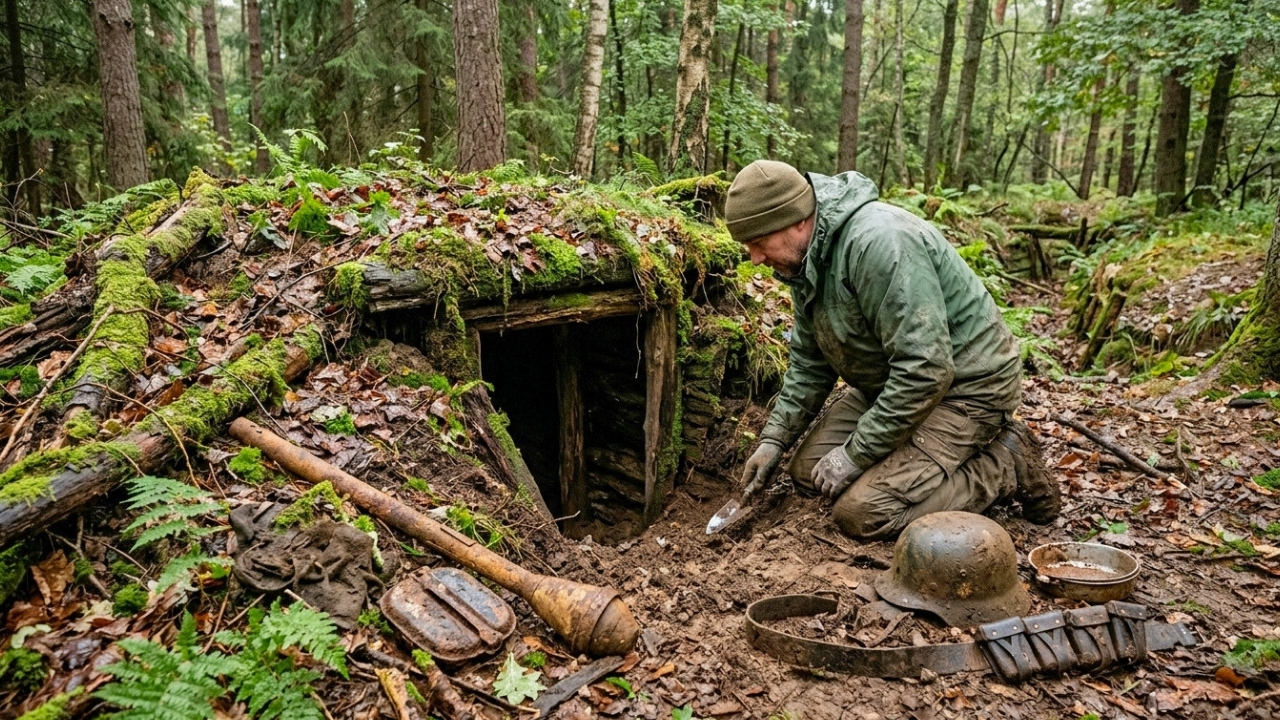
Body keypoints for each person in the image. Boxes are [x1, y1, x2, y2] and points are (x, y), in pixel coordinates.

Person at [726, 160, 1059, 540]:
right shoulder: (804, 260)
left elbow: (926, 369)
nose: (754, 258)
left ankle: (1005, 463)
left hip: (968, 389)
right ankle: (910, 460)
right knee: (809, 473)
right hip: (893, 385)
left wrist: (856, 454)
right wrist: (773, 440)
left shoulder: (878, 243)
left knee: (864, 512)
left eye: (758, 242)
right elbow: (809, 363)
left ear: (796, 220)